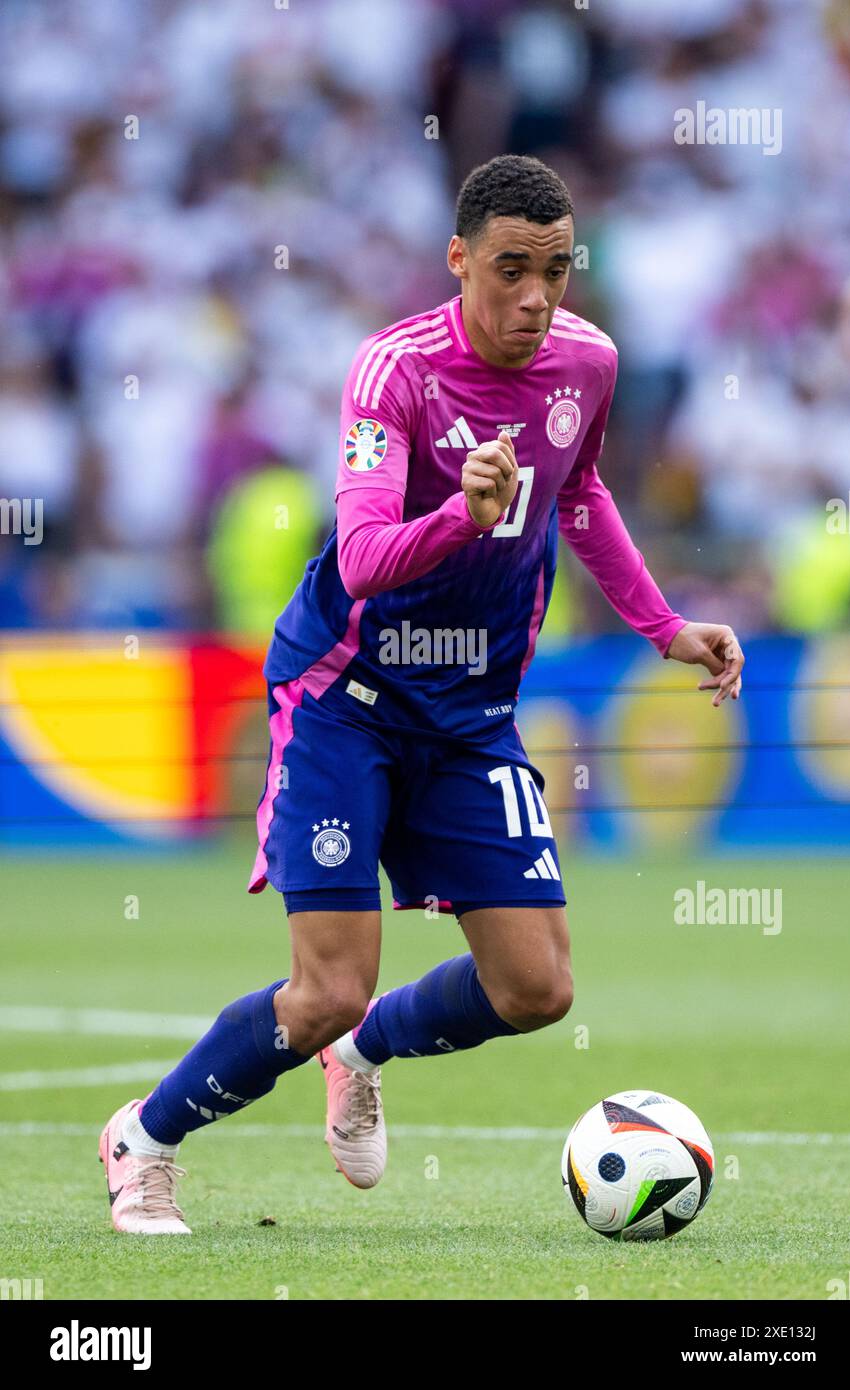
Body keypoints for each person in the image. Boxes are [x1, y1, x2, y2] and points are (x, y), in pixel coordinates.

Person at [98, 155, 743, 1233]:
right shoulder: (391, 371)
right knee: (326, 988)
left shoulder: (586, 363)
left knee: (537, 987)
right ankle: (145, 1136)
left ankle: (363, 1053)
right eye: (509, 271)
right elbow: (357, 557)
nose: (536, 298)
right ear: (458, 260)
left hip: (471, 710)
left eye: (554, 271)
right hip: (347, 694)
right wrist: (461, 515)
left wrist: (665, 628)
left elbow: (578, 493)